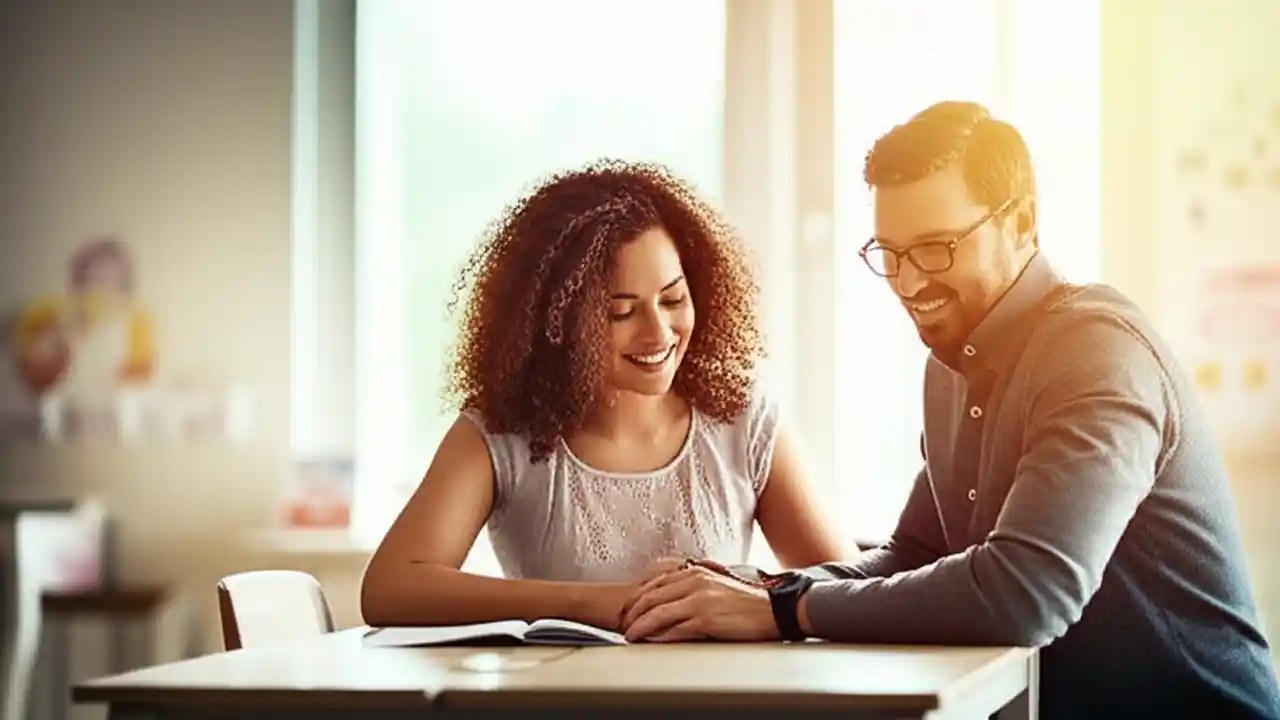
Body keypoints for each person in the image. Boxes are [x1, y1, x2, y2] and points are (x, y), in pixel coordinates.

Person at [620, 102, 1280, 719]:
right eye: (891, 254)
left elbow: (1028, 593)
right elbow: (914, 554)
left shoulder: (1096, 354)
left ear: (1021, 223)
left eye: (936, 248)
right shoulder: (951, 366)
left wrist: (788, 609)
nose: (908, 283)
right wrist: (765, 590)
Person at [361, 159, 845, 632]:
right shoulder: (500, 432)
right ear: (557, 320)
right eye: (620, 313)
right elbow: (390, 589)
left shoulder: (743, 419)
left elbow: (847, 589)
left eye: (673, 299)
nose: (659, 332)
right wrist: (594, 603)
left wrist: (755, 599)